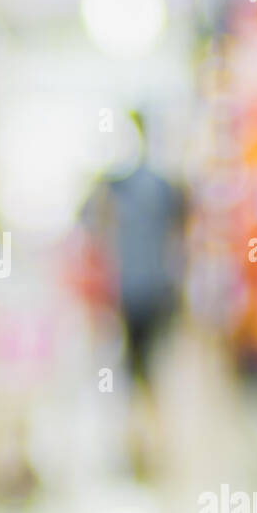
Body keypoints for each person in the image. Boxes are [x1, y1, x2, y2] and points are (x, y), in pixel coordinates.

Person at [80, 110, 187, 477]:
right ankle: (150, 439)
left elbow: (90, 227)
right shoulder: (162, 186)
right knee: (149, 368)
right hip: (153, 288)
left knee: (132, 369)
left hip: (131, 289)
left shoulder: (115, 185)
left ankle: (140, 439)